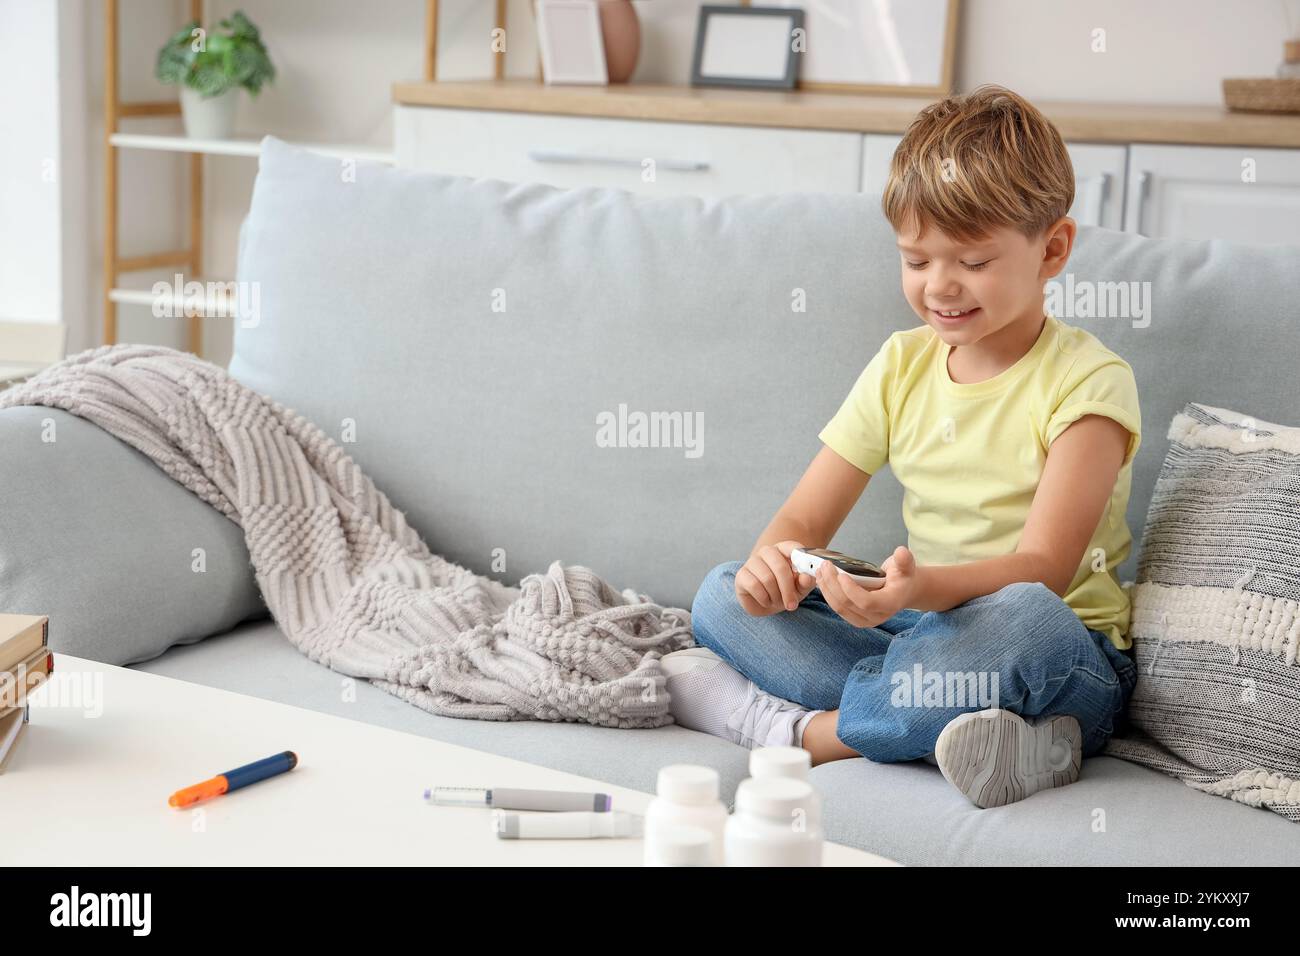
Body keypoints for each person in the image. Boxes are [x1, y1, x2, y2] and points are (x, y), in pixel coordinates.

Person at [664, 85, 1141, 809]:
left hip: (1058, 654)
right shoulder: (900, 364)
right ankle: (976, 732)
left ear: (1053, 249)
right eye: (917, 260)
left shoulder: (1091, 384)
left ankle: (799, 734)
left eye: (973, 261)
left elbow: (1044, 572)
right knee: (721, 595)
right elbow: (800, 525)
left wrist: (919, 589)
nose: (940, 286)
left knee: (1022, 619)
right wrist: (778, 570)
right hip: (919, 635)